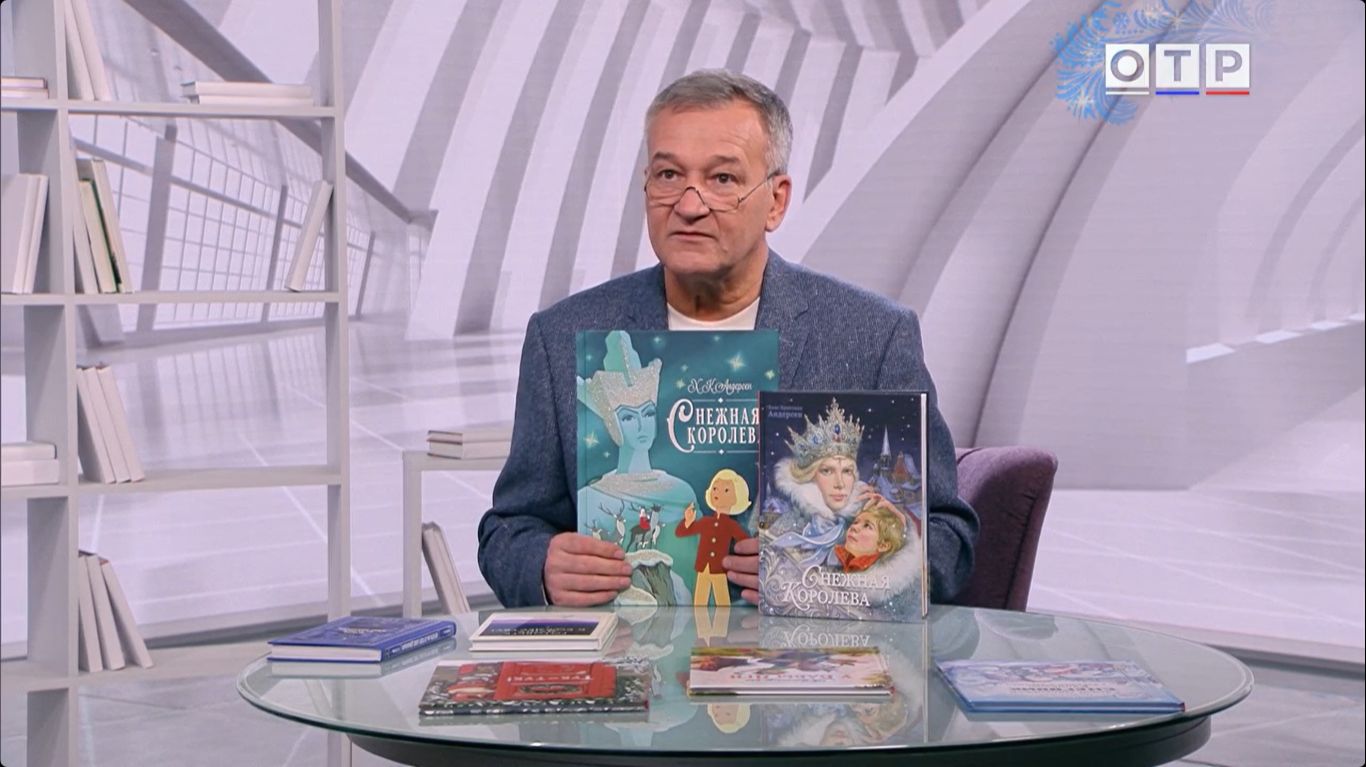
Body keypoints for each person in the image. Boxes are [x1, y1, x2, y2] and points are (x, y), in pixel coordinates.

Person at [477, 68, 977, 608]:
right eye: (669, 175)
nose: (689, 205)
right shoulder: (562, 337)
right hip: (629, 651)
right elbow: (509, 527)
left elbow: (948, 538)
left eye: (722, 179)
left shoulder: (871, 336)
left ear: (776, 201)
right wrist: (542, 565)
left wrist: (833, 576)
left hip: (809, 657)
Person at [675, 469, 753, 606]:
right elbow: (681, 532)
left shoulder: (732, 526)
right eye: (715, 488)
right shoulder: (705, 522)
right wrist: (687, 521)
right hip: (702, 569)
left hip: (719, 571)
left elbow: (746, 543)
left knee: (722, 603)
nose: (718, 493)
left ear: (737, 497)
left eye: (726, 490)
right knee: (699, 603)